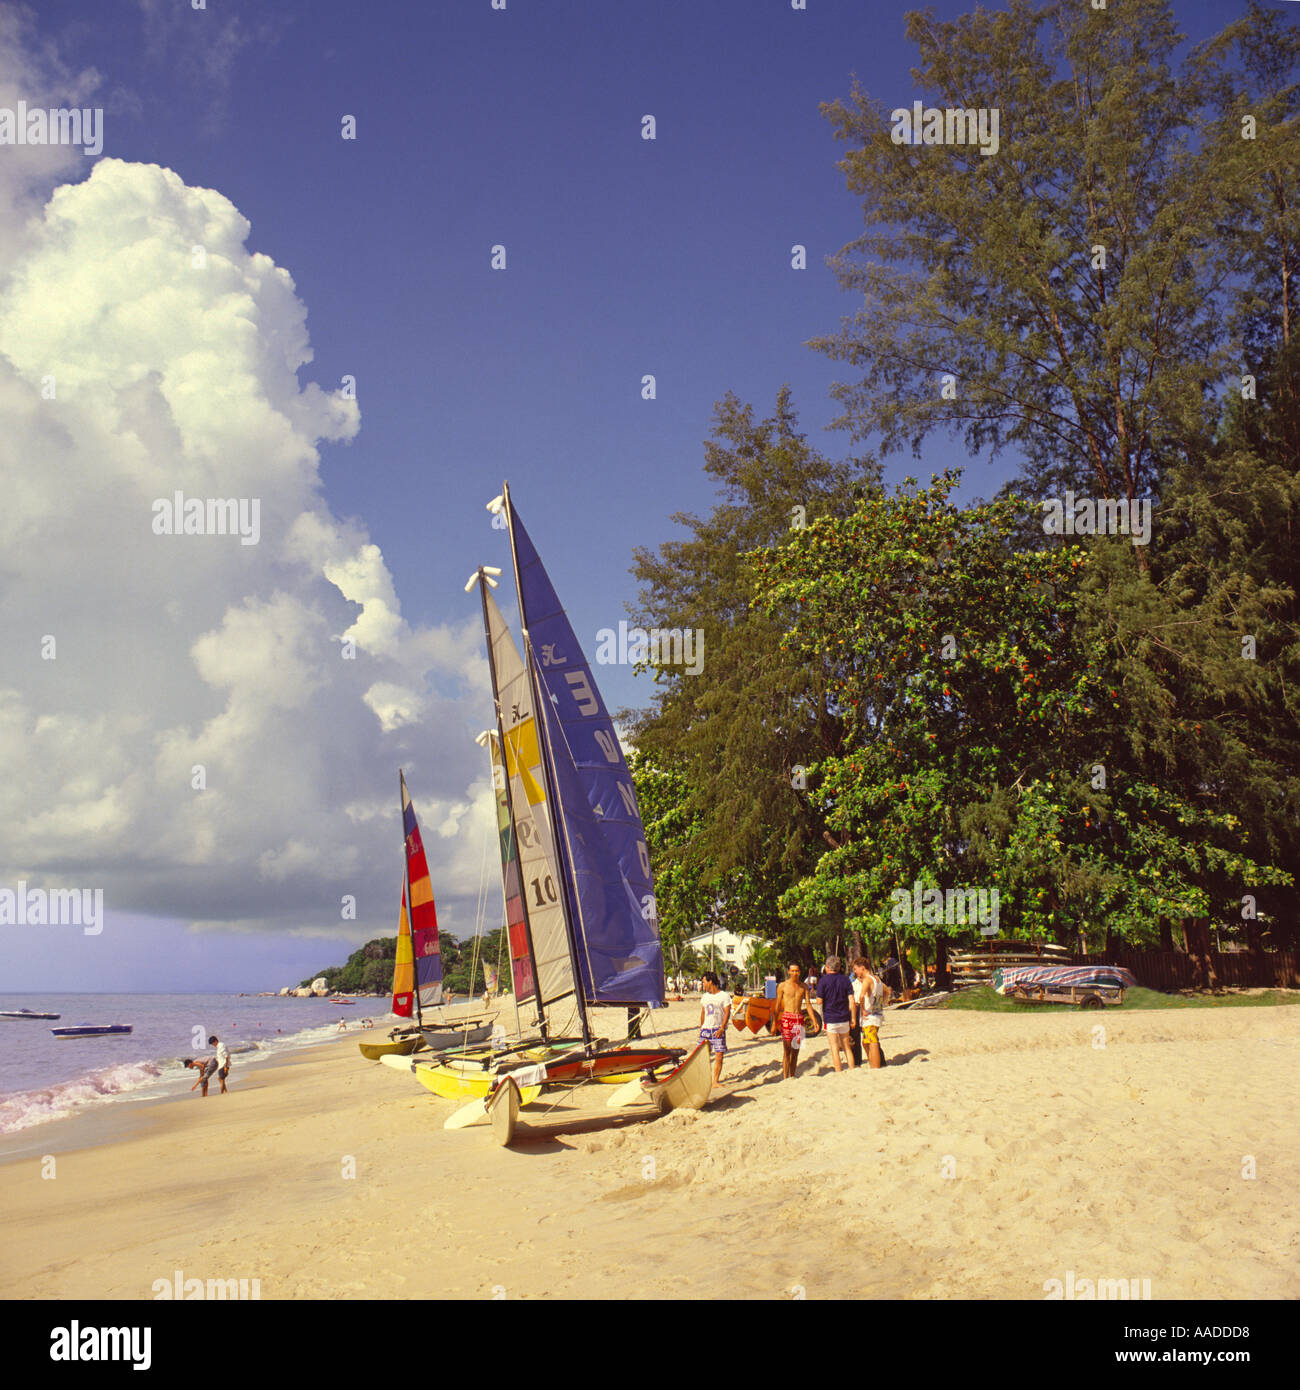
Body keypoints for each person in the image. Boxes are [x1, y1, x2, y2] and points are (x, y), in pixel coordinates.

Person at [815, 957, 856, 1072]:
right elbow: (851, 999)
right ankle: (852, 1069)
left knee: (834, 1048)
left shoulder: (823, 981)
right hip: (844, 1017)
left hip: (830, 1018)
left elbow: (819, 1001)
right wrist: (853, 1017)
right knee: (846, 1046)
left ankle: (838, 1071)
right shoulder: (846, 980)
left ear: (827, 967)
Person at [773, 962, 812, 1080]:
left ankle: (792, 1075)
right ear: (789, 972)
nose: (795, 973)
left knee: (796, 1051)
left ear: (799, 972)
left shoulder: (804, 987)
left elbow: (809, 1005)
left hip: (799, 1019)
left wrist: (814, 1020)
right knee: (787, 1050)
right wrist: (774, 1024)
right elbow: (777, 1006)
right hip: (787, 1018)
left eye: (797, 971)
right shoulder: (782, 986)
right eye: (793, 971)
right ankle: (785, 1077)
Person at [851, 957, 889, 1069]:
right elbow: (887, 991)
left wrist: (862, 1009)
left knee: (872, 1041)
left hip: (870, 1015)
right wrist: (880, 1004)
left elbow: (861, 996)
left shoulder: (867, 980)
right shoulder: (877, 979)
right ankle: (874, 1063)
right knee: (866, 1042)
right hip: (877, 1013)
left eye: (855, 969)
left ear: (862, 968)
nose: (855, 972)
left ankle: (875, 1067)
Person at [697, 971, 731, 1085]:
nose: (703, 985)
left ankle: (715, 1081)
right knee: (702, 1057)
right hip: (705, 1030)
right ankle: (703, 1080)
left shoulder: (724, 996)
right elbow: (703, 1013)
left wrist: (722, 1027)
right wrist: (701, 1028)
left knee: (719, 1056)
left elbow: (727, 1012)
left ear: (710, 981)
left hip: (717, 1029)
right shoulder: (705, 996)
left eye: (704, 982)